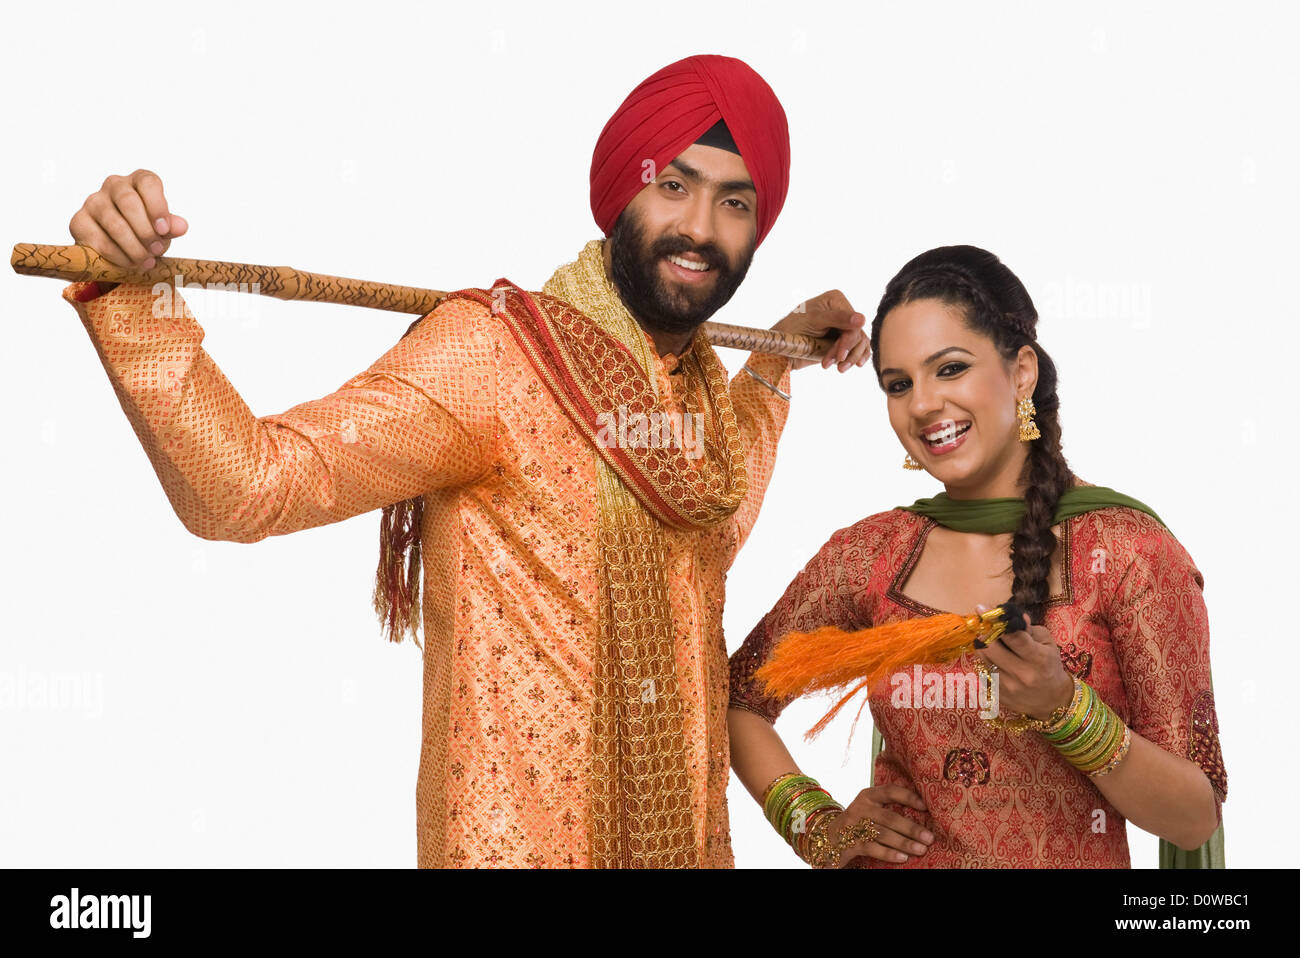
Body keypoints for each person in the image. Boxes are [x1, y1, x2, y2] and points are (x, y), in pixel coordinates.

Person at [57, 54, 872, 868]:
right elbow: (246, 489)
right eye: (675, 185)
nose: (700, 226)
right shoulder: (494, 356)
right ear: (623, 190)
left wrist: (771, 366)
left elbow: (710, 533)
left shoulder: (696, 409)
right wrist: (133, 295)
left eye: (735, 203)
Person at [727, 245, 1227, 868]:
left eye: (951, 368)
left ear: (1021, 373)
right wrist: (815, 825)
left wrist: (1066, 711)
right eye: (899, 384)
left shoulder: (1129, 553)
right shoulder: (872, 554)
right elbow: (738, 698)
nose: (924, 405)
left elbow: (1193, 816)